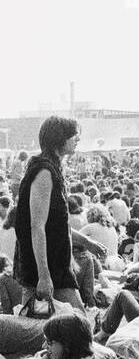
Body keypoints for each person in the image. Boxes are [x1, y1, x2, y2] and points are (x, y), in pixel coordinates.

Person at [13, 117, 88, 311]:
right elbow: (37, 226)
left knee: (43, 325)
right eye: (73, 135)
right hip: (47, 268)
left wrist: (89, 243)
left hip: (53, 264)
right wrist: (44, 276)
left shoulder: (52, 169)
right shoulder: (44, 172)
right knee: (77, 321)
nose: (77, 139)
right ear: (59, 138)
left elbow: (56, 224)